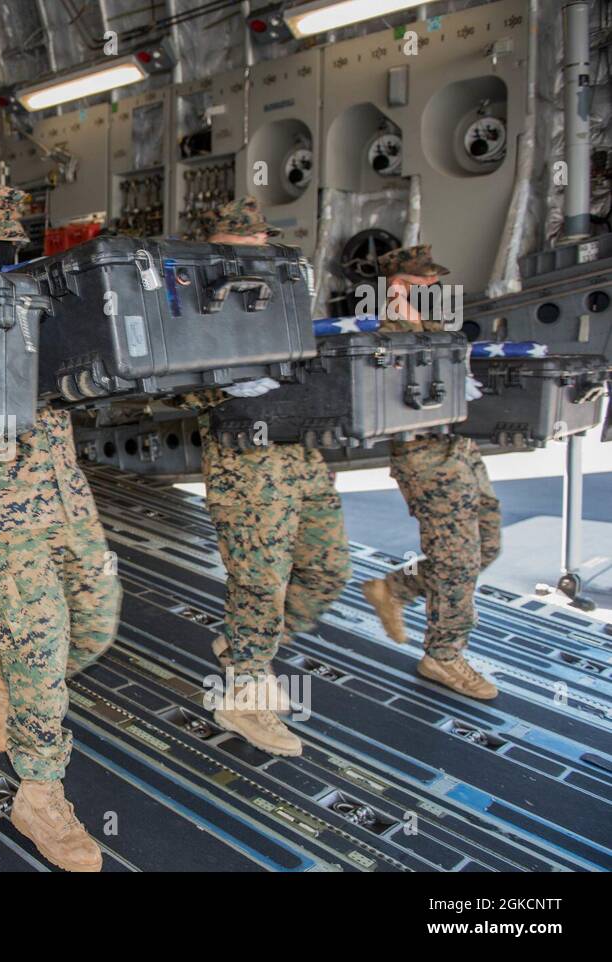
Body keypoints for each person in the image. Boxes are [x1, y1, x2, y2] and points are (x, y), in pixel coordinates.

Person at [0, 180, 122, 873]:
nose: (1, 252)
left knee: (98, 620)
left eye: (11, 242)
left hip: (63, 493)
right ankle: (41, 793)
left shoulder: (38, 294)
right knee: (43, 639)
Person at [192, 198, 351, 757]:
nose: (259, 254)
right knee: (260, 582)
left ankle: (243, 647)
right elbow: (162, 377)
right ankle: (243, 690)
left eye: (262, 244)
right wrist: (221, 385)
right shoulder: (192, 299)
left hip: (301, 452)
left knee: (329, 567)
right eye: (247, 246)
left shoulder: (280, 290)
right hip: (246, 464)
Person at [360, 245, 500, 700]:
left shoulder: (431, 325)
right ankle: (444, 655)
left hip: (457, 445)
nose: (435, 289)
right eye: (425, 283)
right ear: (399, 285)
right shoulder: (382, 333)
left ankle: (394, 590)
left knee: (487, 543)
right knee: (457, 560)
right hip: (425, 456)